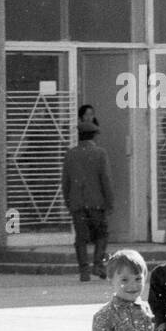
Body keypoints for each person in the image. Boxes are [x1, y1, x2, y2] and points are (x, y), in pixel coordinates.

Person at [61, 117, 114, 282]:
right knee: (101, 235)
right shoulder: (100, 153)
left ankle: (83, 270)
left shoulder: (70, 154)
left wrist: (68, 202)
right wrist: (110, 201)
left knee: (81, 238)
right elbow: (105, 179)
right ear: (94, 136)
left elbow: (65, 181)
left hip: (77, 202)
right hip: (97, 202)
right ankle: (98, 265)